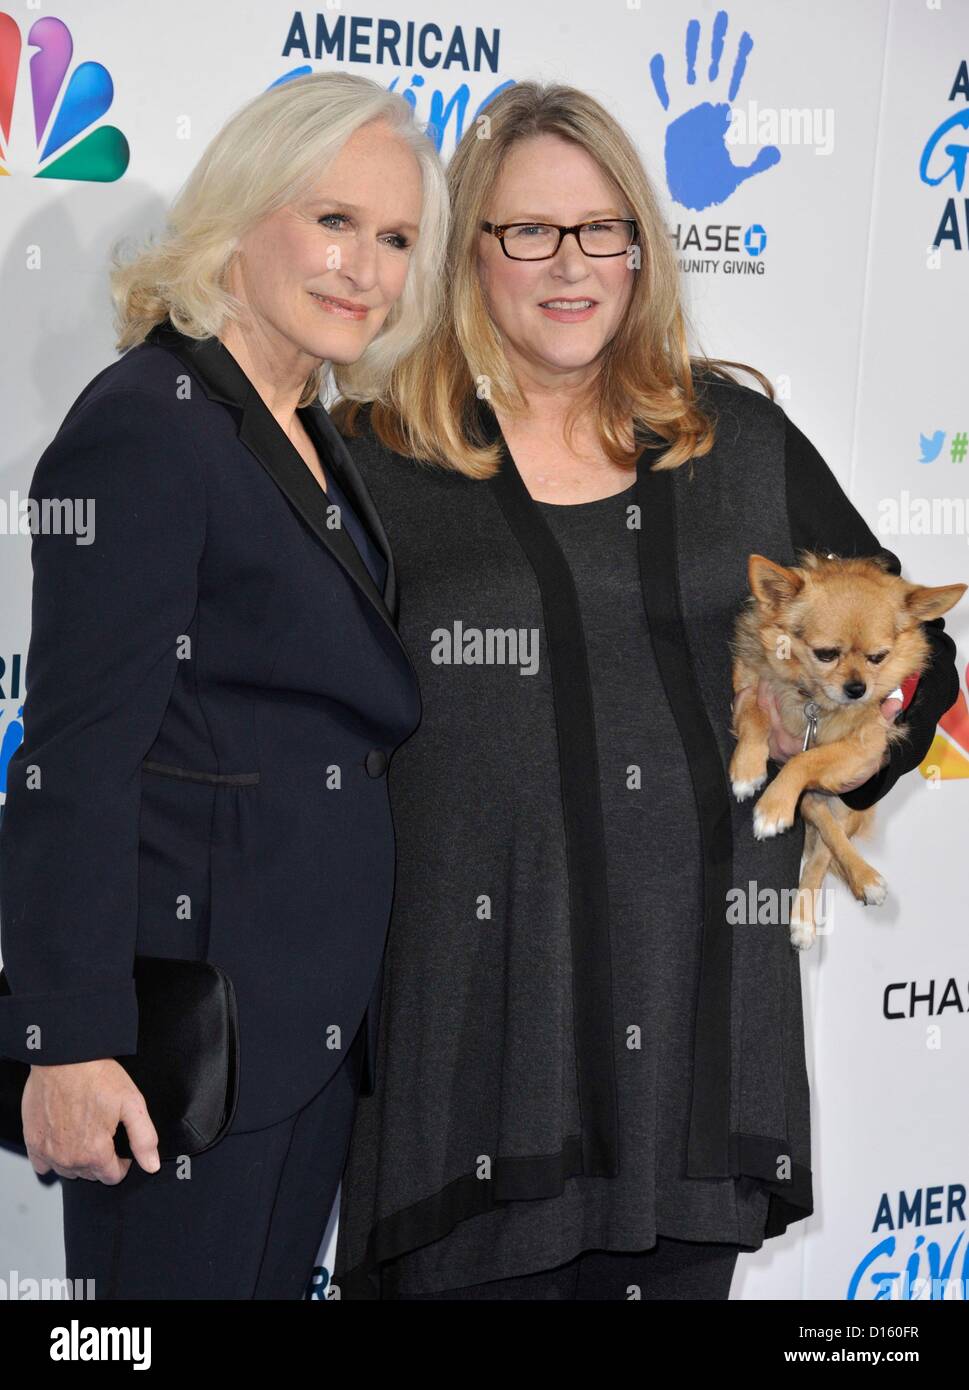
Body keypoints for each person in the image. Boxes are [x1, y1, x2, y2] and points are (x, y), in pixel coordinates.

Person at [329, 82, 961, 1301]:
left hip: (693, 1051)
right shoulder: (375, 455)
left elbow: (908, 662)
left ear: (643, 247)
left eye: (603, 227)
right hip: (474, 1058)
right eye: (529, 231)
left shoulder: (738, 441)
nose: (572, 265)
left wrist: (838, 742)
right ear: (470, 253)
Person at [0, 70, 448, 1299]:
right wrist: (69, 1037)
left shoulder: (315, 434)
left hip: (305, 1037)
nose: (366, 266)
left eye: (397, 237)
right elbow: (73, 754)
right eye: (334, 220)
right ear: (244, 214)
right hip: (183, 1051)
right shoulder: (149, 421)